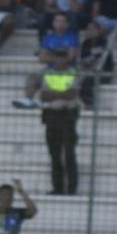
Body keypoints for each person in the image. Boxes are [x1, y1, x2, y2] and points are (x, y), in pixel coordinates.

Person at [36, 55, 81, 196]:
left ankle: (72, 188)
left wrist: (54, 93)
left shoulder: (73, 72)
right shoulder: (48, 73)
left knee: (69, 153)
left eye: (62, 56)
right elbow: (43, 95)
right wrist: (63, 93)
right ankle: (58, 187)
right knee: (54, 154)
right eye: (57, 56)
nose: (59, 59)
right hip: (51, 115)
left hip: (67, 115)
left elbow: (73, 94)